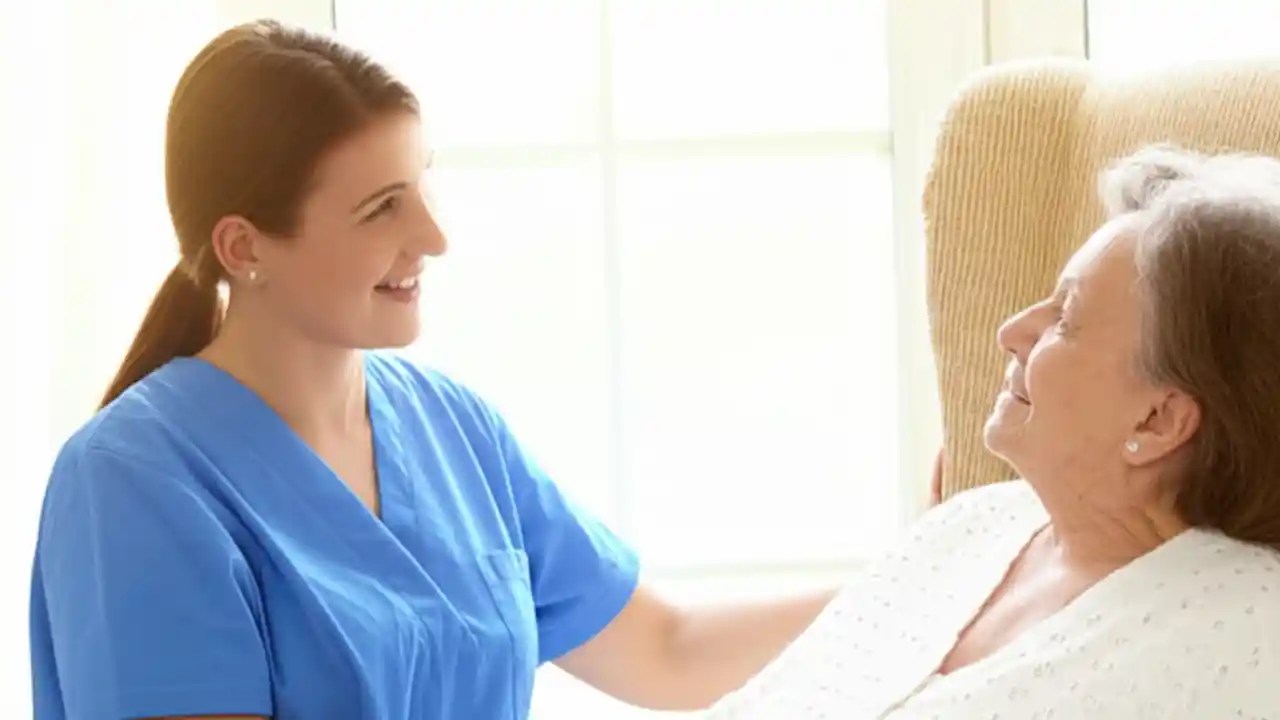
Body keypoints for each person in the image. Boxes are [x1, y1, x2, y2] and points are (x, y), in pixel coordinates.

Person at [27, 20, 835, 720]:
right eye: (383, 208)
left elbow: (668, 649)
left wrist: (936, 577)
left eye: (421, 187)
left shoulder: (456, 430)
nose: (434, 236)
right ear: (244, 247)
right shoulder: (130, 486)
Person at [705, 144, 1280, 718]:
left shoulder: (1245, 628)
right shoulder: (972, 523)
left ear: (1157, 422)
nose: (1011, 331)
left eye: (1065, 318)